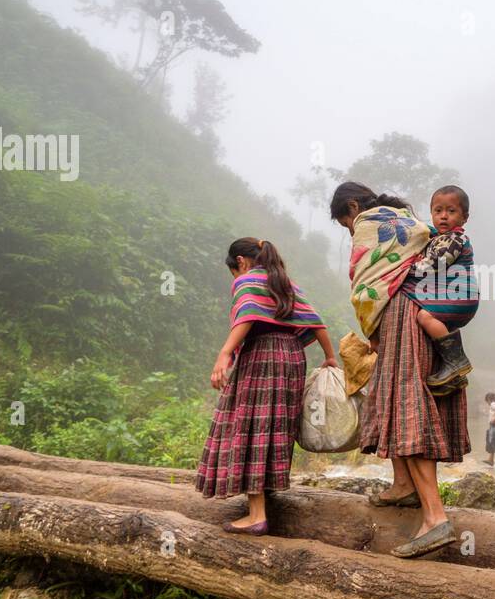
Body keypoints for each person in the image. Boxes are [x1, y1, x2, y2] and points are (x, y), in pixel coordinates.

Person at [330, 181, 471, 558]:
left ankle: (435, 518)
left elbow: (367, 282)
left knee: (409, 406)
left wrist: (375, 322)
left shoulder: (368, 222)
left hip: (402, 316)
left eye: (345, 223)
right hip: (419, 314)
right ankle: (403, 486)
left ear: (353, 206)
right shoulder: (407, 222)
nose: (350, 231)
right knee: (397, 397)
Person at [196, 237, 337, 535]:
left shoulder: (247, 279)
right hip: (292, 357)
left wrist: (224, 353)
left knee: (252, 425)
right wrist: (329, 357)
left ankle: (257, 515)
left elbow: (246, 316)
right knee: (276, 426)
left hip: (262, 355)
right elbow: (316, 321)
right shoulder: (284, 282)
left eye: (235, 272)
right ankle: (267, 492)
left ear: (241, 263)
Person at [407, 185, 480, 392]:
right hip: (456, 297)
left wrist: (406, 269)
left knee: (425, 317)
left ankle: (455, 362)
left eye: (451, 211)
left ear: (464, 217)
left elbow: (434, 265)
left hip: (460, 296)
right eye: (438, 211)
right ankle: (455, 378)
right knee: (441, 325)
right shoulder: (440, 237)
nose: (444, 216)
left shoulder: (456, 239)